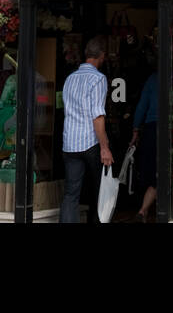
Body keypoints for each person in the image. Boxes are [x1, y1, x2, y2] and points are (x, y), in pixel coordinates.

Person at [60, 36, 113, 224]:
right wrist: (104, 147)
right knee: (100, 191)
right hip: (90, 142)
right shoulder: (98, 79)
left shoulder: (70, 78)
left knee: (71, 194)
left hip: (70, 143)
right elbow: (98, 116)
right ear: (101, 56)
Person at [131, 65, 158, 221]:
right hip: (168, 127)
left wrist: (135, 129)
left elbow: (142, 105)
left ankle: (143, 211)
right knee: (162, 172)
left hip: (151, 128)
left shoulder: (152, 78)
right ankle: (144, 210)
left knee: (151, 171)